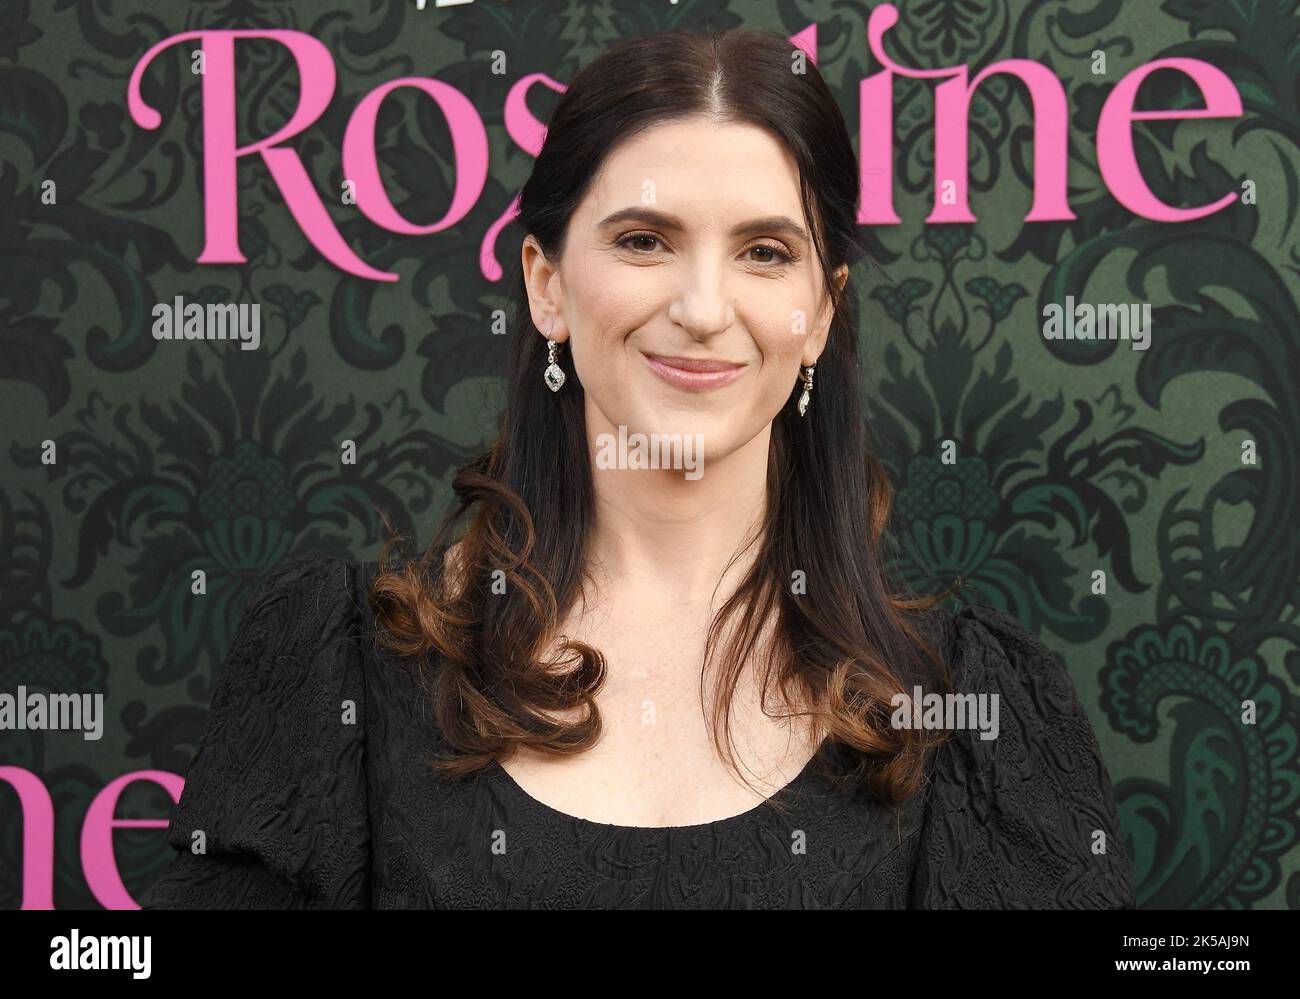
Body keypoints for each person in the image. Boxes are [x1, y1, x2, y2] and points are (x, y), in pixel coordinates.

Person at [144, 26, 1135, 909]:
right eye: (643, 240)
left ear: (822, 312)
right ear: (546, 284)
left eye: (762, 252)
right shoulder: (342, 665)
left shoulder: (969, 706)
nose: (704, 307)